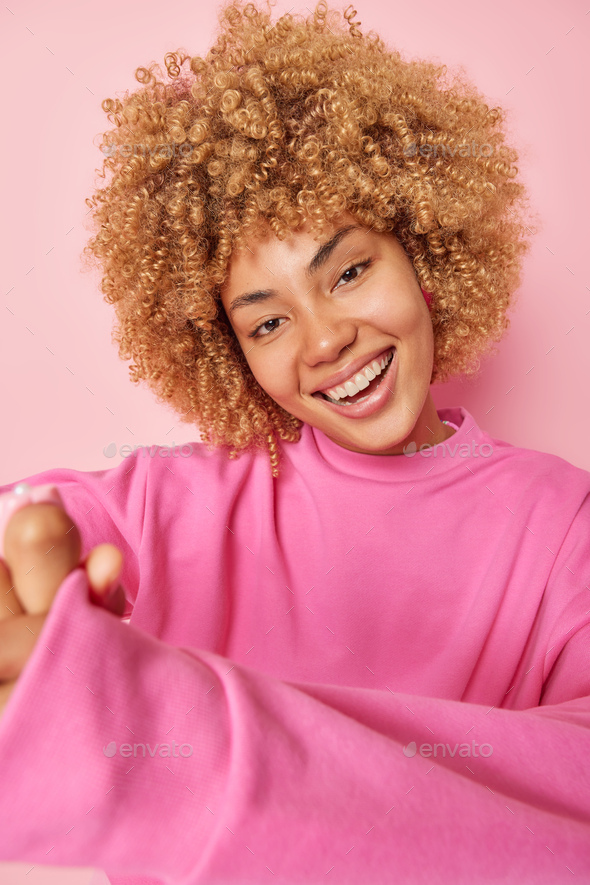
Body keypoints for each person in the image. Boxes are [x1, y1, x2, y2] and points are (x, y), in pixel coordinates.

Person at [1, 0, 589, 882]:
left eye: (348, 271)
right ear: (231, 356)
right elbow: (41, 525)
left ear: (425, 254)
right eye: (268, 322)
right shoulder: (175, 503)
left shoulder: (562, 525)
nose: (322, 342)